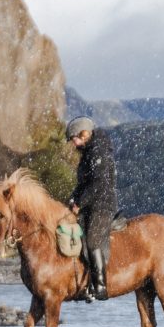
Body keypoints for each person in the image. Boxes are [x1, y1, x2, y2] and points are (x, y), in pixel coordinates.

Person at [65, 117, 116, 301]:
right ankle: (85, 284)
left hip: (103, 204)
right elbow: (83, 184)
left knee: (93, 240)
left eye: (74, 139)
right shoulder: (88, 153)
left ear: (83, 134)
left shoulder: (98, 151)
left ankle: (101, 285)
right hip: (90, 204)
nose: (73, 143)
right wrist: (72, 199)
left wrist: (80, 202)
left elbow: (98, 184)